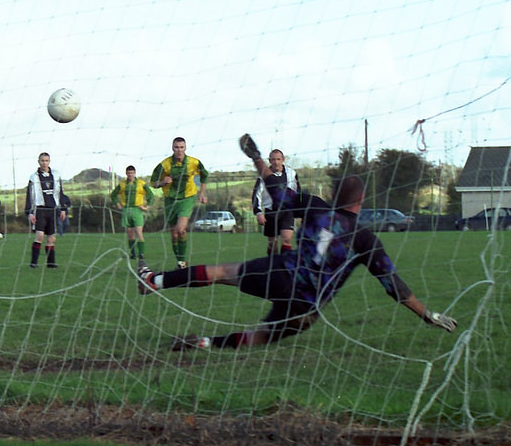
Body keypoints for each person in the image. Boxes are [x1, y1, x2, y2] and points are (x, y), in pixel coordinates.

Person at [136, 133, 457, 350]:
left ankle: (154, 281)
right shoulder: (366, 239)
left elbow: (275, 187)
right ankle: (205, 343)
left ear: (335, 197)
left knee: (221, 273)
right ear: (360, 203)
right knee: (262, 335)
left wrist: (256, 157)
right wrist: (427, 314)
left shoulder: (316, 206)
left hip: (280, 273)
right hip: (307, 307)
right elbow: (394, 286)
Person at [150, 136, 208, 269]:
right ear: (172, 148)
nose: (179, 150)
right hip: (170, 200)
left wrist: (202, 193)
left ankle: (181, 264)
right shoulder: (165, 164)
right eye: (176, 147)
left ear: (185, 148)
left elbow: (204, 175)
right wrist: (163, 182)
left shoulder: (194, 162)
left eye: (182, 147)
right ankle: (180, 261)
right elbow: (153, 182)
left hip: (187, 198)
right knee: (174, 235)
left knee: (181, 230)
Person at [252, 148, 299, 254]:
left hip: (288, 211)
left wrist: (299, 209)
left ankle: (284, 266)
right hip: (271, 212)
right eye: (273, 159)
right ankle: (272, 265)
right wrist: (258, 212)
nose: (276, 162)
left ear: (283, 159)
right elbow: (256, 195)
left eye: (278, 159)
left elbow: (298, 191)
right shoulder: (263, 176)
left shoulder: (291, 174)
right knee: (272, 243)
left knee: (286, 239)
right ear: (269, 161)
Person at [25, 152, 67, 268]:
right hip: (40, 210)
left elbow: (61, 193)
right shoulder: (33, 177)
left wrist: (63, 209)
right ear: (38, 162)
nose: (44, 163)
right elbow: (29, 195)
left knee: (52, 238)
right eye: (42, 160)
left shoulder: (56, 175)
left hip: (52, 210)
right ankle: (33, 263)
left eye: (46, 160)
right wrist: (29, 212)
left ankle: (51, 263)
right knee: (39, 236)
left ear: (49, 161)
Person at [110, 164, 155, 266]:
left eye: (132, 173)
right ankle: (133, 254)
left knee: (139, 233)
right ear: (126, 173)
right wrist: (117, 203)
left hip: (137, 210)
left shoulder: (141, 183)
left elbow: (150, 195)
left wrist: (147, 206)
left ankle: (141, 254)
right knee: (130, 233)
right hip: (126, 210)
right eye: (128, 173)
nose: (130, 174)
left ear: (134, 173)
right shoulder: (122, 184)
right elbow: (113, 195)